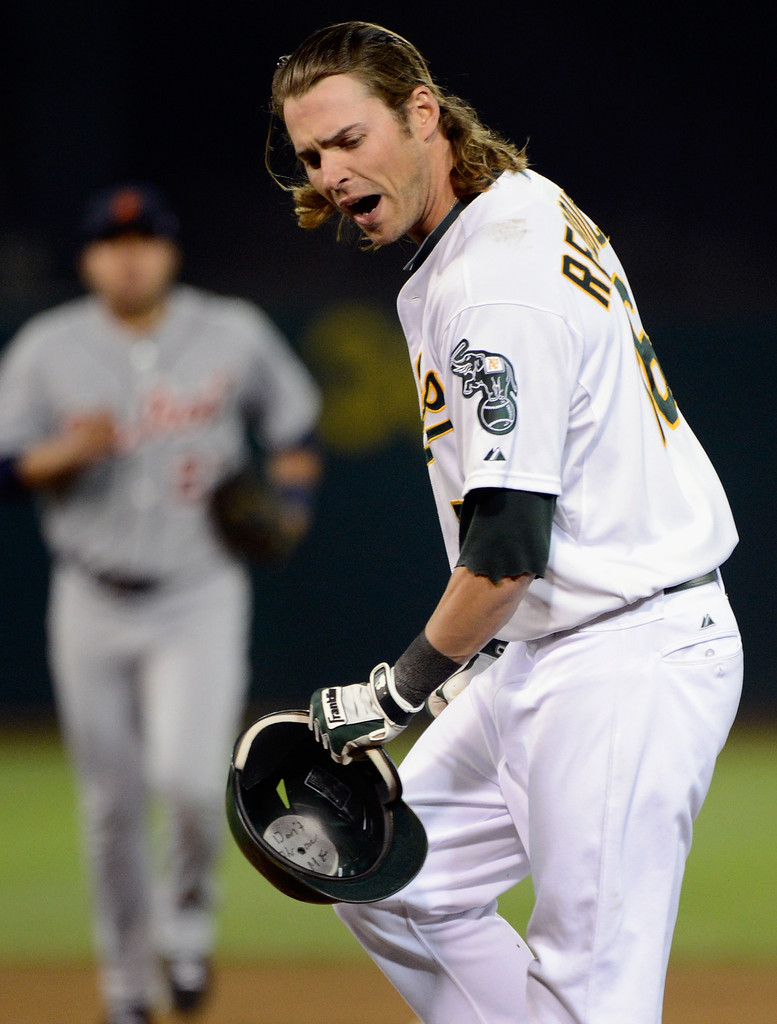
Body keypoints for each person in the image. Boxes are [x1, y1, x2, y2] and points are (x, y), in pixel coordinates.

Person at [268, 22, 744, 1024]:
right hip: (547, 646)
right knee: (392, 877)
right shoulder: (504, 205)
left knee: (594, 993)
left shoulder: (493, 285)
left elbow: (507, 551)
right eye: (313, 154)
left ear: (424, 114)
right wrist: (477, 666)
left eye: (352, 139)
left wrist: (400, 689)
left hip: (626, 657)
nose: (332, 171)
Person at [0, 182, 322, 1024]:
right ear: (89, 257)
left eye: (146, 238)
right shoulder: (45, 348)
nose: (130, 253)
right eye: (114, 240)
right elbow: (3, 466)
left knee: (183, 782)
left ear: (171, 252)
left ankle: (185, 933)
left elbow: (295, 428)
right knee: (108, 807)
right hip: (90, 597)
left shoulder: (231, 332)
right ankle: (122, 987)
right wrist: (59, 455)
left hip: (198, 592)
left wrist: (289, 510)